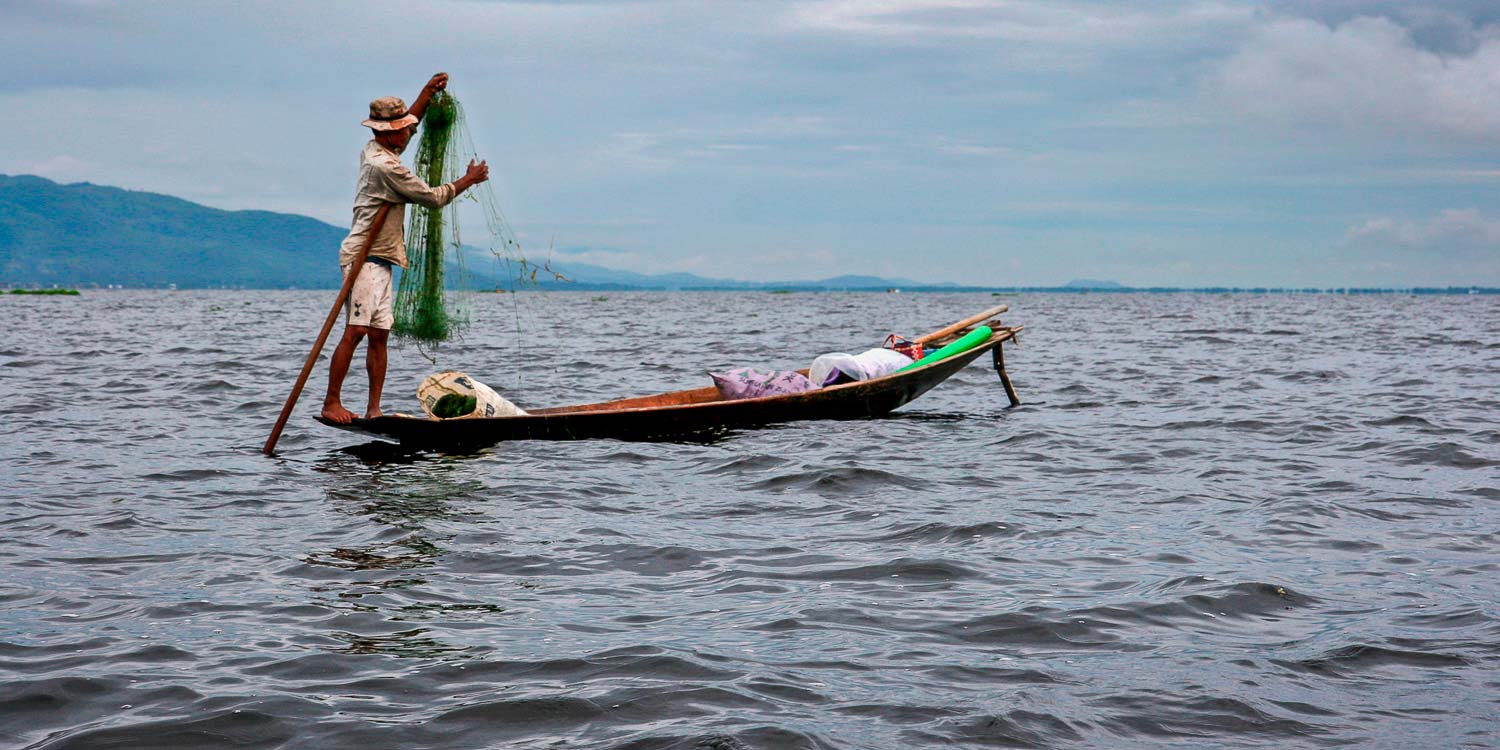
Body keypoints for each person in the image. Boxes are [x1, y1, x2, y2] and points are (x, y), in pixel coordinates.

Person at [322, 73, 490, 424]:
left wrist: (427, 92)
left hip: (382, 258)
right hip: (362, 258)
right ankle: (332, 402)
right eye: (401, 130)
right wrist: (469, 179)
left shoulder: (382, 148)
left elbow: (410, 124)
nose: (408, 132)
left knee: (379, 335)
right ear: (385, 133)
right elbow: (433, 198)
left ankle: (374, 409)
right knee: (356, 331)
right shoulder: (384, 165)